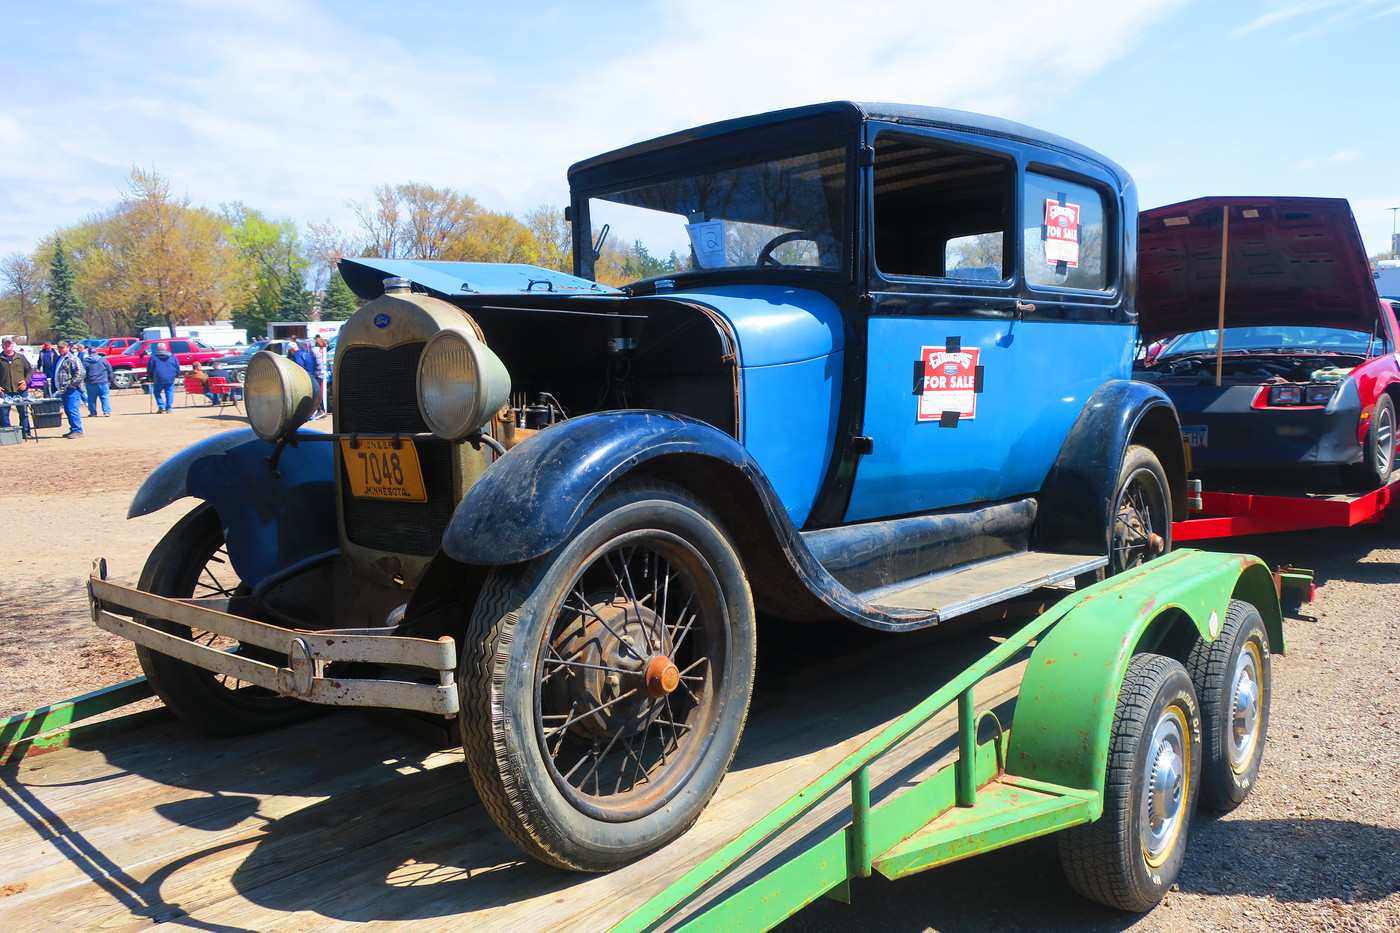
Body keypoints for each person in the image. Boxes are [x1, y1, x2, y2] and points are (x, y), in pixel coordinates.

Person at [0, 337, 35, 438]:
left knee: (23, 413)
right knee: (4, 414)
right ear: (2, 345)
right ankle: (8, 435)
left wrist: (26, 381)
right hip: (5, 391)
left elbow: (29, 371)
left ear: (12, 344)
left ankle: (26, 433)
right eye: (5, 344)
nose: (7, 345)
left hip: (20, 390)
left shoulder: (20, 357)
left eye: (9, 343)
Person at [53, 340, 86, 437]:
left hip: (72, 389)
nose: (60, 349)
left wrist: (72, 384)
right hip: (62, 389)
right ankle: (73, 429)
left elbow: (80, 372)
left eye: (62, 347)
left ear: (67, 347)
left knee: (72, 409)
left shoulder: (72, 358)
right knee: (67, 410)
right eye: (59, 348)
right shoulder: (60, 358)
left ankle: (78, 430)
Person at [146, 342, 180, 414]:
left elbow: (150, 368)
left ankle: (161, 406)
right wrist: (177, 375)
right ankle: (168, 408)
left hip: (158, 377)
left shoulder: (153, 357)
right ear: (166, 348)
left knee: (156, 391)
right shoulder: (172, 356)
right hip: (170, 377)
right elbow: (177, 367)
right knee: (169, 392)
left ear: (158, 349)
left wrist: (150, 376)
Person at [83, 346, 115, 417]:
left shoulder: (85, 361)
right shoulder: (103, 360)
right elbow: (109, 369)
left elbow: (83, 372)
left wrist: (84, 380)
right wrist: (109, 379)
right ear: (96, 352)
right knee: (104, 397)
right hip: (103, 382)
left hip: (91, 383)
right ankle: (106, 412)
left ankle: (93, 412)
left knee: (91, 398)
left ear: (88, 352)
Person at [311, 335, 330, 418]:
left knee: (316, 393)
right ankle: (320, 410)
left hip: (318, 375)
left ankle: (320, 410)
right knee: (317, 392)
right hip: (320, 375)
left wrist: (315, 374)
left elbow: (318, 365)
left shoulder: (314, 352)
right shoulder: (315, 351)